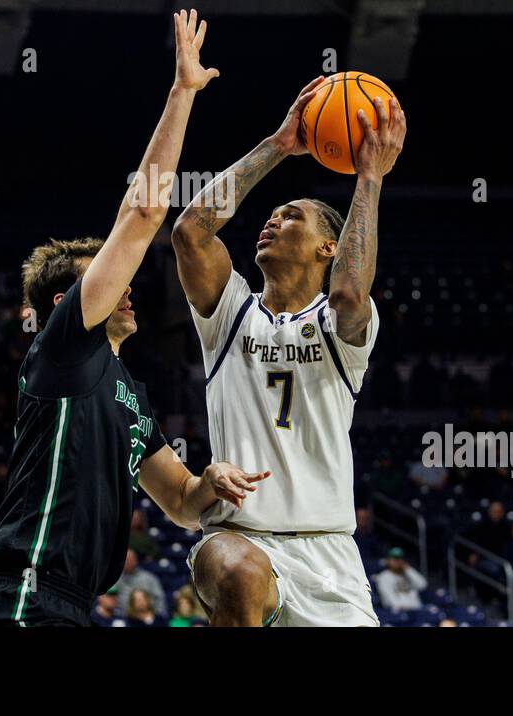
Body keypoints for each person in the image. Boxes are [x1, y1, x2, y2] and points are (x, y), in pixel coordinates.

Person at [0, 11, 268, 627]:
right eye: (102, 275)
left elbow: (182, 503)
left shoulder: (128, 390)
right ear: (63, 306)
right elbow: (145, 211)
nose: (124, 283)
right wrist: (183, 93)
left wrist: (211, 476)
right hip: (25, 596)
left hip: (77, 606)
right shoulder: (65, 350)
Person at [171, 75, 406, 627]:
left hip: (330, 555)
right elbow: (191, 233)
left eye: (291, 215)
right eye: (272, 215)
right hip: (238, 536)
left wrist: (369, 176)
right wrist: (279, 145)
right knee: (238, 572)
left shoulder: (342, 328)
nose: (272, 220)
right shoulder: (230, 315)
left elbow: (349, 290)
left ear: (330, 245)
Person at [372, 547, 427, 612]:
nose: (397, 561)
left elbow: (423, 585)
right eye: (394, 559)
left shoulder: (408, 574)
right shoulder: (384, 576)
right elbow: (388, 600)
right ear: (388, 560)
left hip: (416, 610)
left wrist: (408, 569)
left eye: (399, 559)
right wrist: (406, 607)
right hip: (397, 611)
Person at [115, 549, 165, 615]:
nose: (127, 562)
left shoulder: (149, 578)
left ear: (135, 560)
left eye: (129, 559)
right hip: (121, 618)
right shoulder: (114, 579)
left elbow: (159, 600)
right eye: (124, 559)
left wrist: (156, 618)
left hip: (146, 617)